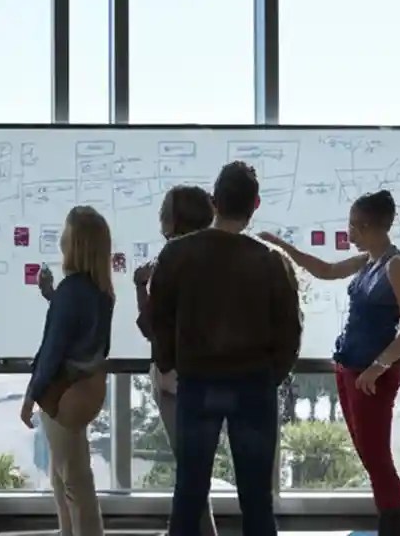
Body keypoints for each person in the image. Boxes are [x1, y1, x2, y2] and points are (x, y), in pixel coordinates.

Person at [148, 162, 301, 536]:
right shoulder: (271, 261)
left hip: (197, 383)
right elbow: (290, 332)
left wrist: (171, 364)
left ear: (214, 202)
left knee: (189, 493)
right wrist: (269, 375)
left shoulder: (176, 255)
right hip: (253, 386)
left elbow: (159, 320)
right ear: (256, 204)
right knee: (256, 499)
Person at [259, 190, 400, 536]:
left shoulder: (397, 266)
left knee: (377, 457)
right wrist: (283, 247)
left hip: (370, 377)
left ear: (366, 226)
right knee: (369, 455)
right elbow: (325, 270)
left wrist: (378, 367)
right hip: (350, 369)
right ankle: (389, 523)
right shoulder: (369, 260)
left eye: (351, 224)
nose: (348, 232)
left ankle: (394, 528)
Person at [21, 205, 116, 536]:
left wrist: (30, 396)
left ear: (75, 243)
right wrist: (53, 297)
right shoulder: (100, 290)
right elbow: (82, 333)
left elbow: (52, 351)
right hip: (89, 390)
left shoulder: (71, 291)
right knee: (66, 475)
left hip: (64, 395)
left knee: (73, 481)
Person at [133, 185, 218, 536]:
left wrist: (141, 286)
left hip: (177, 381)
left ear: (176, 218)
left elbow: (151, 326)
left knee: (190, 473)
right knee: (194, 470)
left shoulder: (172, 258)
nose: (159, 217)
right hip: (209, 376)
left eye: (164, 210)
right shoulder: (215, 255)